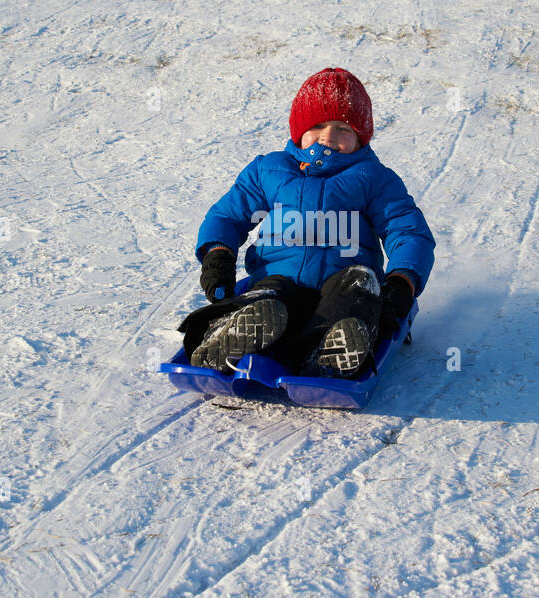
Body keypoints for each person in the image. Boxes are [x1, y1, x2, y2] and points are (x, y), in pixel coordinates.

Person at [181, 68, 434, 379]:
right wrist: (217, 255)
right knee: (268, 303)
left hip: (341, 283)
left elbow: (407, 230)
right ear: (298, 130)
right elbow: (227, 215)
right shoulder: (270, 169)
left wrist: (401, 281)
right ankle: (228, 334)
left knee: (359, 286)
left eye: (343, 128)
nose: (328, 137)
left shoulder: (373, 178)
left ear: (361, 136)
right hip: (278, 280)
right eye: (317, 126)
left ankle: (328, 353)